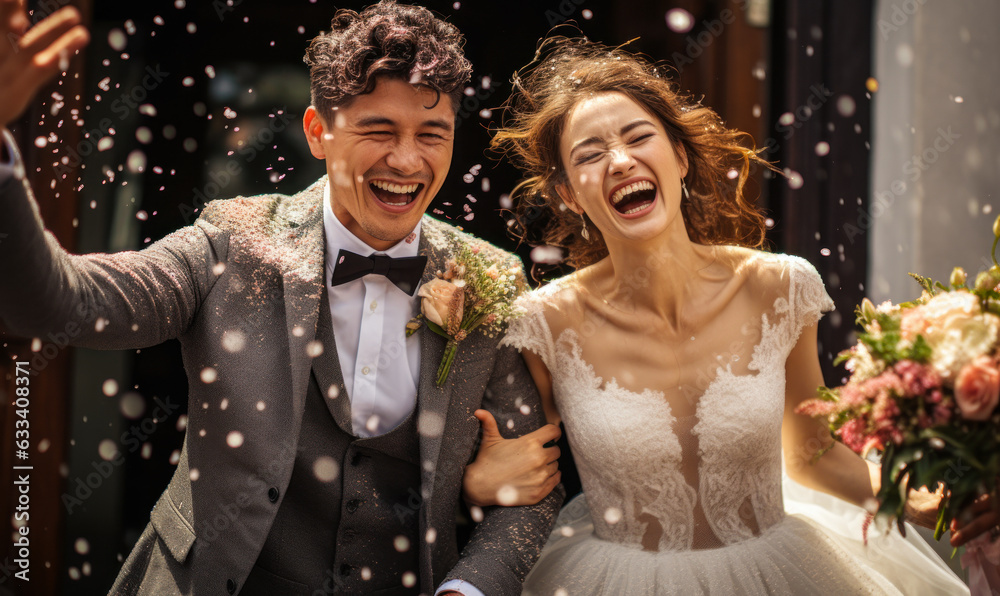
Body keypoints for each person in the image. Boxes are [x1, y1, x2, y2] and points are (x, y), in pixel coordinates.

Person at [0, 1, 564, 594]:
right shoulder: (232, 242)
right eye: (378, 130)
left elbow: (531, 492)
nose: (406, 159)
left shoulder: (490, 280)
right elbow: (60, 304)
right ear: (319, 133)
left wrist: (466, 590)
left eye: (431, 134)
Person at [466, 34, 983, 594]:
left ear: (680, 157)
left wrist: (936, 503)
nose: (619, 161)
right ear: (568, 194)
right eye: (589, 155)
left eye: (640, 137)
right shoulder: (544, 324)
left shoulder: (780, 288)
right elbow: (520, 470)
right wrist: (476, 486)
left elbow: (813, 456)